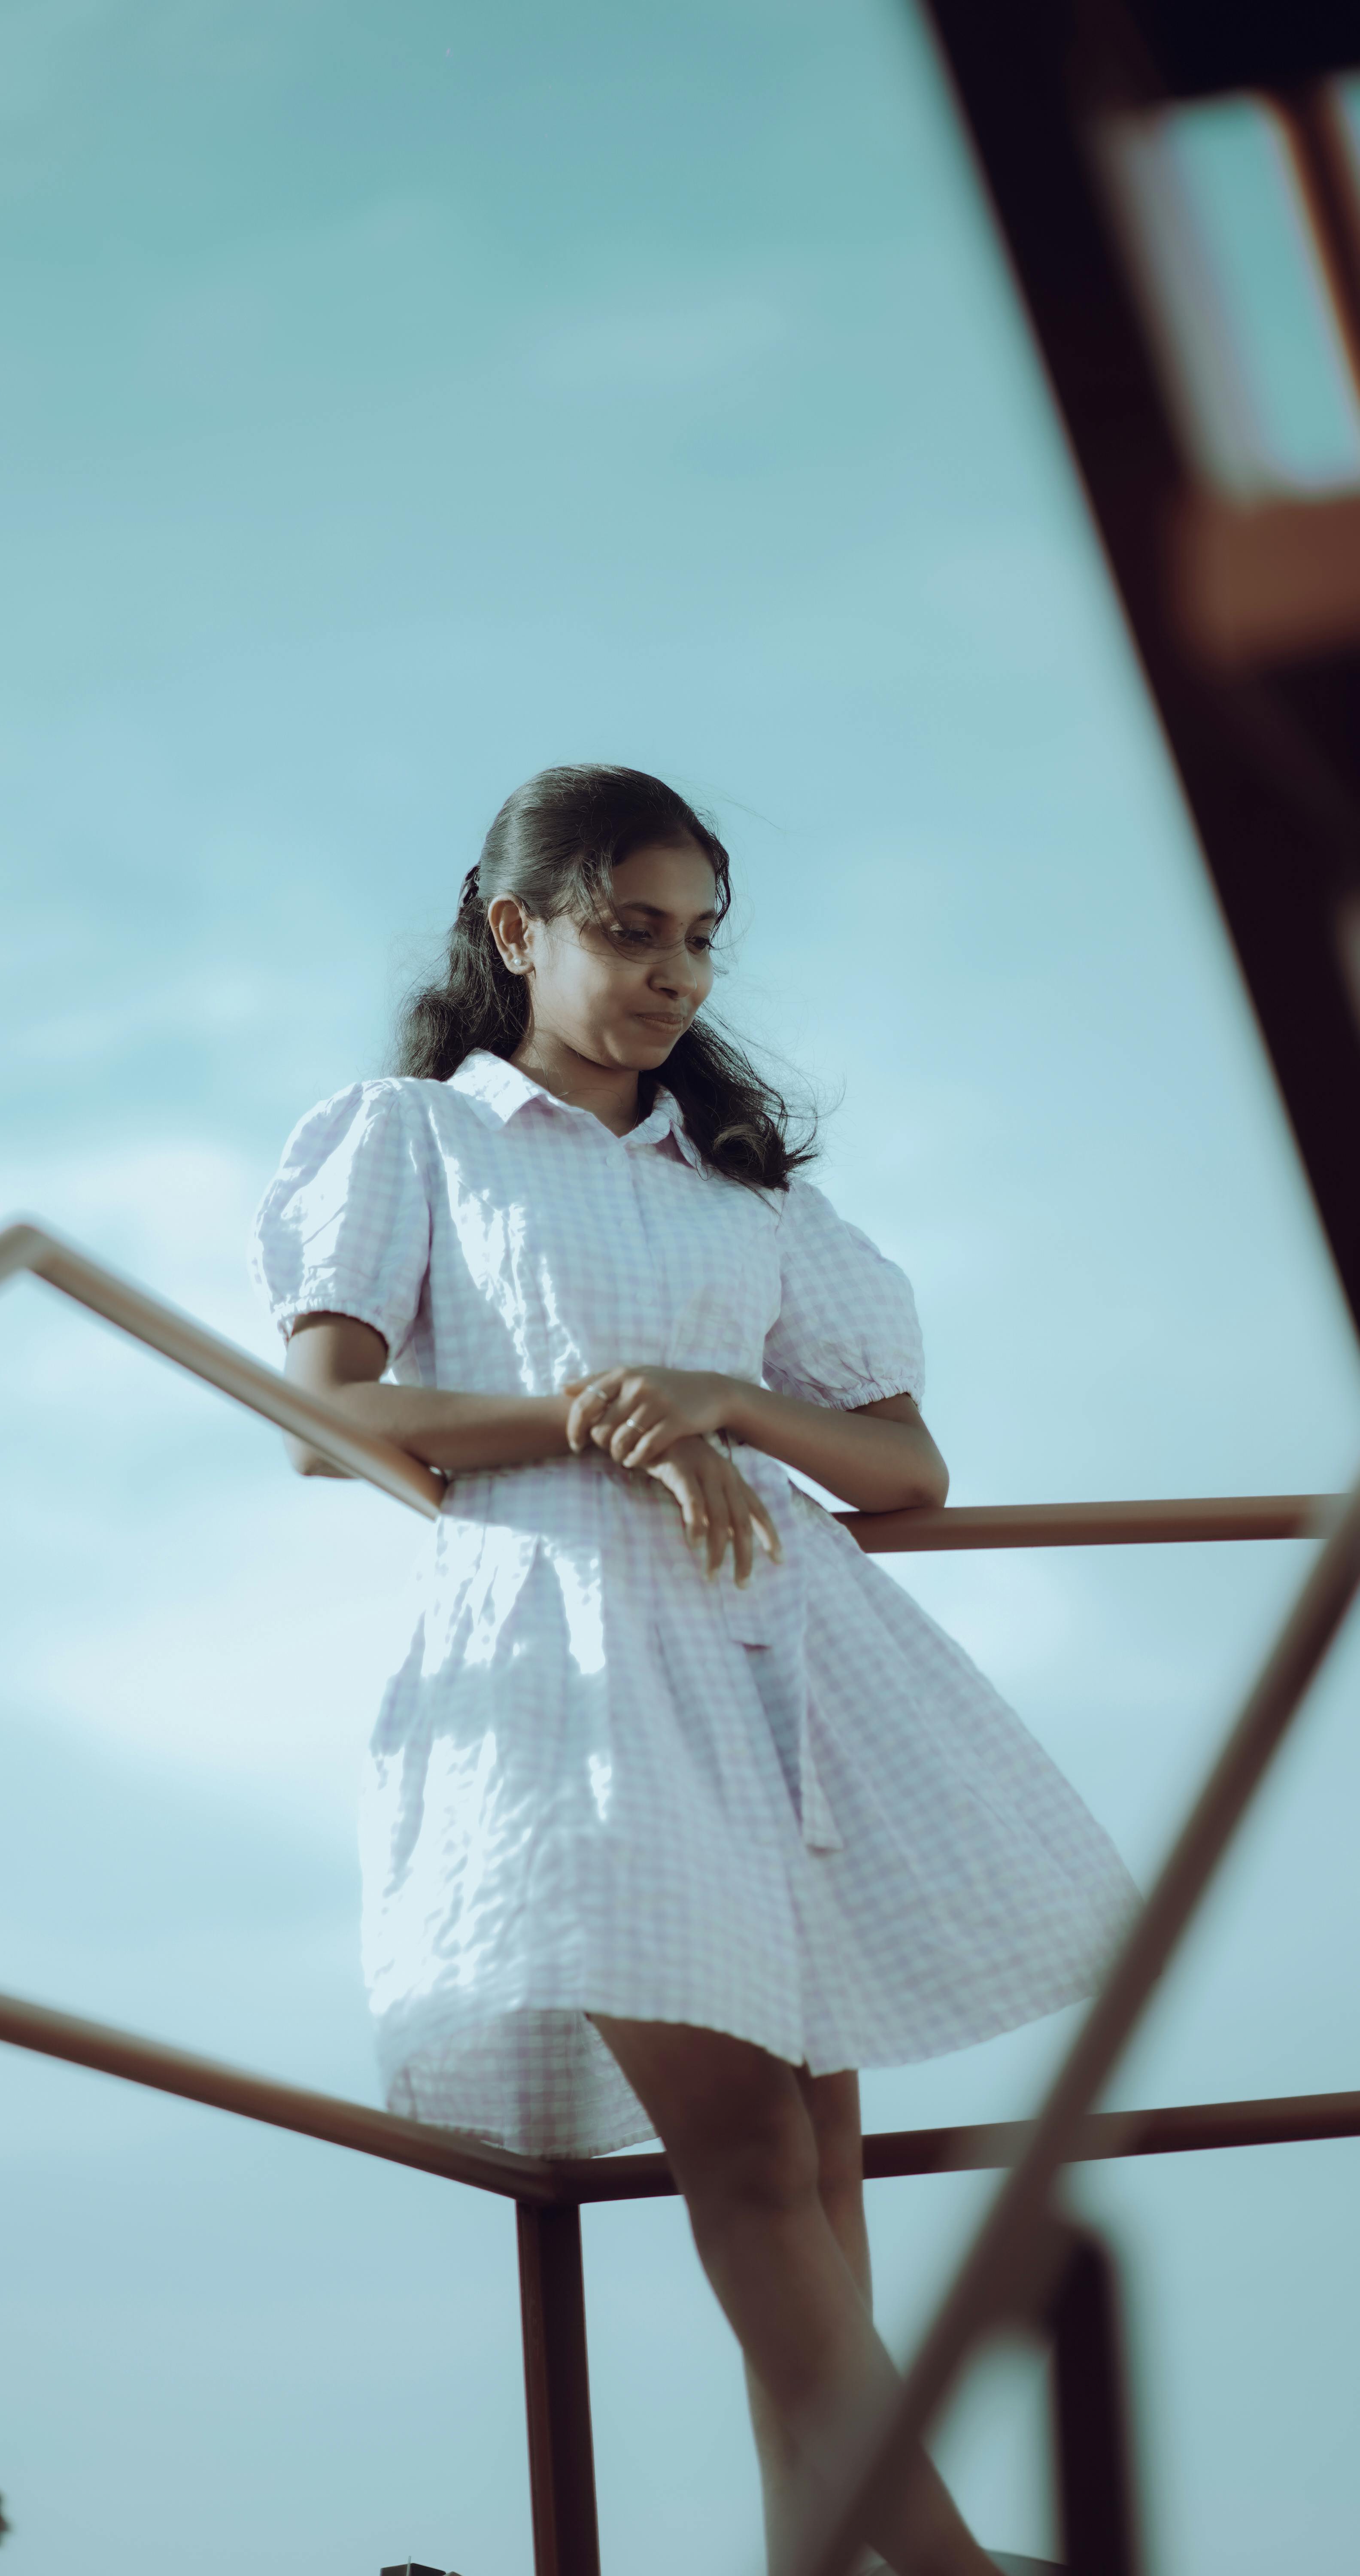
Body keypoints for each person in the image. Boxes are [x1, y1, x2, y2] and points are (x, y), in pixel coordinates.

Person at [250, 764, 1135, 2575]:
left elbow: (908, 1465)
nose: (675, 975)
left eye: (702, 940)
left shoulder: (744, 1197)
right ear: (518, 932)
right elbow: (325, 1419)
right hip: (570, 1671)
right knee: (742, 2163)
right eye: (630, 929)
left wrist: (726, 1400)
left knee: (813, 2183)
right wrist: (605, 1418)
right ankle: (951, 2570)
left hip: (783, 1678)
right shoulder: (410, 1136)